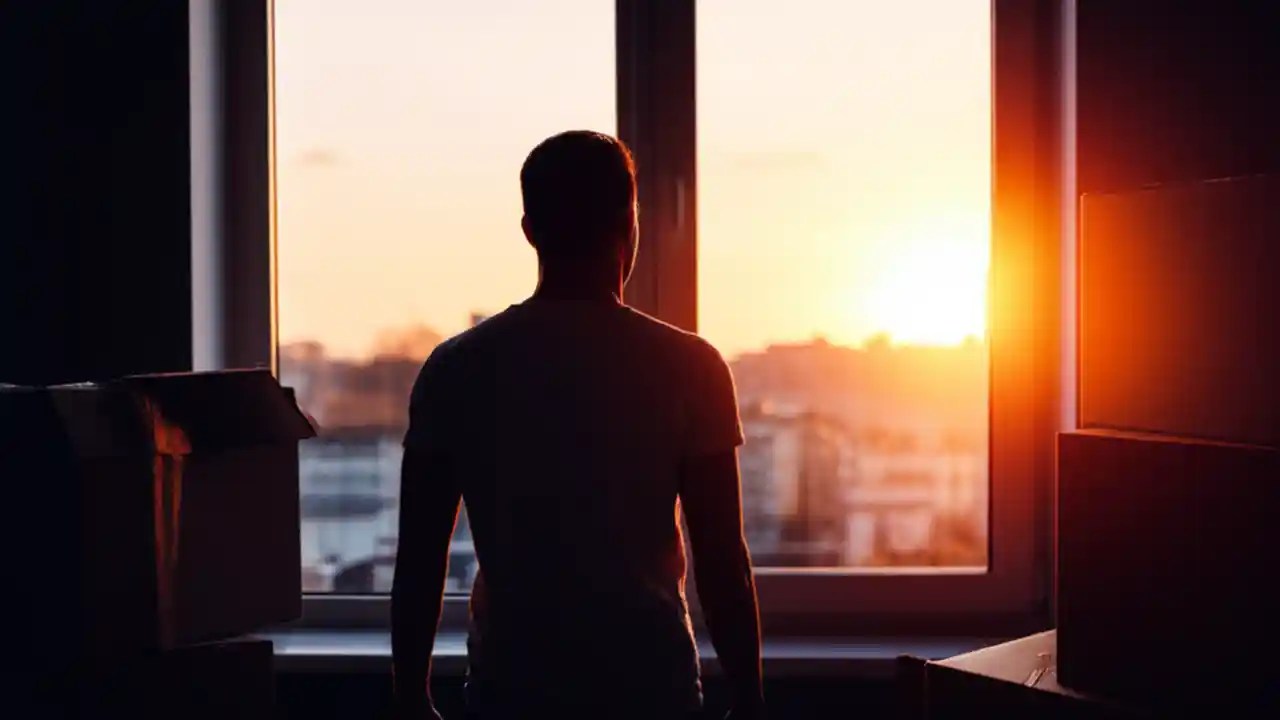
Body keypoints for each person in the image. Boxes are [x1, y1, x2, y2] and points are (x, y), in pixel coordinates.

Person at [391, 130, 764, 720]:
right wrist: (748, 696)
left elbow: (419, 558)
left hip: (513, 690)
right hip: (651, 689)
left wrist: (410, 695)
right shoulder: (691, 367)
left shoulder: (457, 368)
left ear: (530, 230)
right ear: (630, 224)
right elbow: (723, 559)